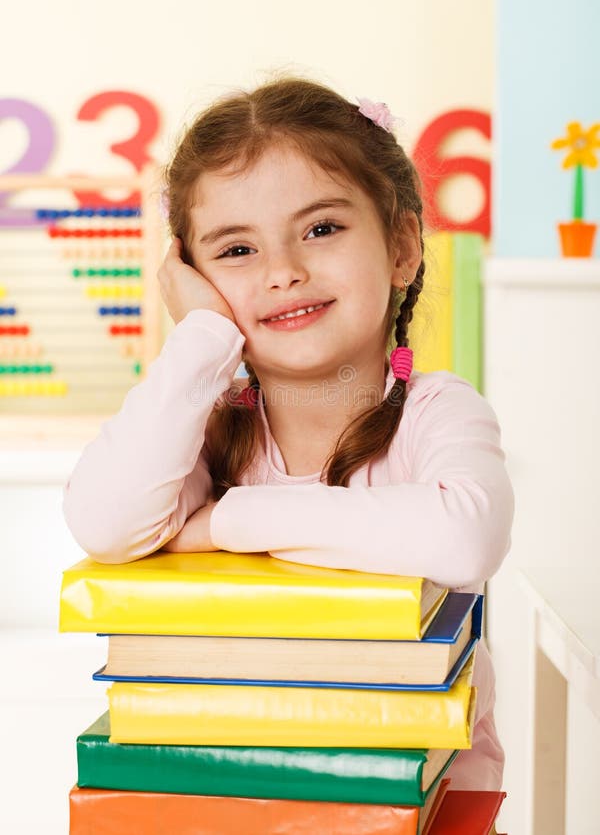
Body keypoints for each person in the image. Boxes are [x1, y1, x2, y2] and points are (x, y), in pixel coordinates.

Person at [62, 75, 514, 795]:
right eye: (236, 251)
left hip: (415, 801)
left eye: (322, 229)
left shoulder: (438, 412)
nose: (284, 273)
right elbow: (103, 523)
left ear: (402, 247)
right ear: (192, 277)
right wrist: (203, 335)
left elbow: (464, 540)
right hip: (236, 789)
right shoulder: (207, 431)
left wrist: (232, 520)